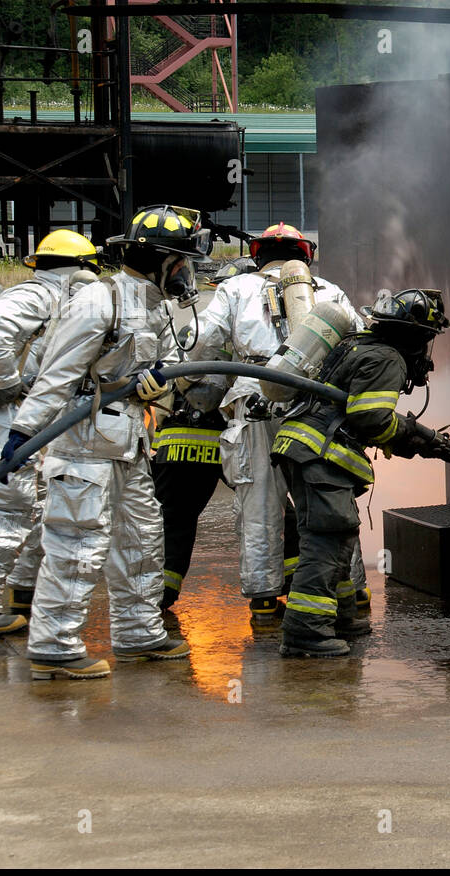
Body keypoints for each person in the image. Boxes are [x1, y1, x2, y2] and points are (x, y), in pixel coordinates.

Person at [4, 205, 208, 680]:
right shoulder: (99, 300)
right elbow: (56, 375)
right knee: (75, 546)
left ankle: (139, 634)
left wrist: (155, 388)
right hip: (82, 445)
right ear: (160, 260)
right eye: (181, 260)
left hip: (129, 445)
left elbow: (149, 370)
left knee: (141, 539)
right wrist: (24, 432)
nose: (185, 271)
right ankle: (54, 648)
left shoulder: (155, 306)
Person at [186, 223, 363, 624]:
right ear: (305, 254)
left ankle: (264, 600)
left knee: (260, 504)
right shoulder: (329, 291)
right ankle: (350, 588)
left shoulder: (235, 289)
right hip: (317, 404)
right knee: (328, 499)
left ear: (257, 254)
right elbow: (356, 342)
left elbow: (205, 342)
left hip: (255, 400)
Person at [271, 289, 450, 657]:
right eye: (427, 338)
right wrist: (414, 439)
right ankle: (305, 632)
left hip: (304, 448)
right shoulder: (388, 358)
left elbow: (362, 413)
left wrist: (414, 440)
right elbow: (371, 419)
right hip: (319, 454)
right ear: (415, 336)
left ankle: (340, 617)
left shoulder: (358, 344)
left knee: (339, 533)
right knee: (326, 539)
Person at [0, 229, 100, 634]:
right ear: (79, 268)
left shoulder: (56, 297)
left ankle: (24, 589)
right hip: (7, 414)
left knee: (40, 501)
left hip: (26, 414)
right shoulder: (37, 294)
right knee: (5, 504)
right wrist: (6, 382)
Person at [151, 257, 257, 617]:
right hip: (231, 439)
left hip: (178, 441)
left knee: (175, 520)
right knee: (263, 508)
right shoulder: (251, 332)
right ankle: (275, 589)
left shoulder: (198, 329)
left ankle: (160, 595)